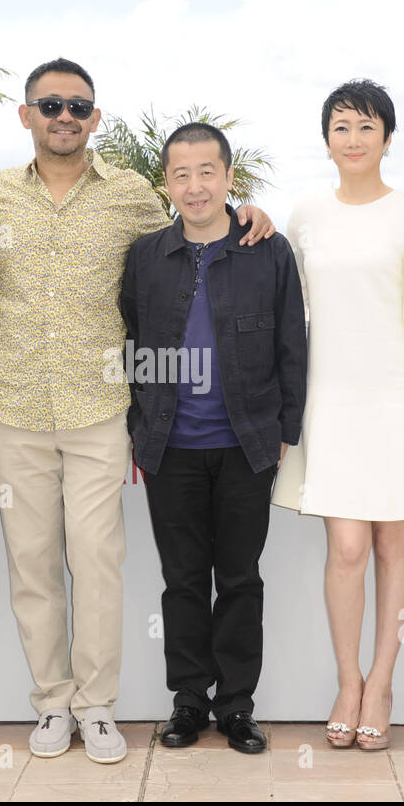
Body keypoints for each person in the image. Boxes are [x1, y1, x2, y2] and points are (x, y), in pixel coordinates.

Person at [0, 57, 275, 764]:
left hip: (103, 406)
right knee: (32, 564)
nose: (64, 117)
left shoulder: (134, 194)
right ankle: (51, 703)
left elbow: (194, 225)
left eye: (79, 106)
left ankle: (97, 705)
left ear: (95, 118)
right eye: (50, 105)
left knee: (98, 559)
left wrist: (249, 212)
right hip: (13, 404)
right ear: (26, 116)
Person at [272, 80, 404, 751]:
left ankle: (383, 680)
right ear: (326, 140)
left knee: (391, 544)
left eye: (366, 127)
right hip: (329, 399)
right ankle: (348, 679)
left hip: (398, 400)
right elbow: (292, 308)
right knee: (346, 546)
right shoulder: (307, 213)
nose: (353, 139)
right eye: (341, 127)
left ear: (388, 138)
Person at [121, 123, 306, 754]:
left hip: (247, 445)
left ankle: (236, 707)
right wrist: (138, 426)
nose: (195, 186)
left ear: (229, 177)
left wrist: (286, 428)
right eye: (181, 174)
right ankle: (189, 703)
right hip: (170, 446)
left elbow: (291, 344)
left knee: (240, 577)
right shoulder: (146, 255)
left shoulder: (267, 250)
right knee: (182, 581)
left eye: (207, 172)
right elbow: (131, 343)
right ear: (166, 183)